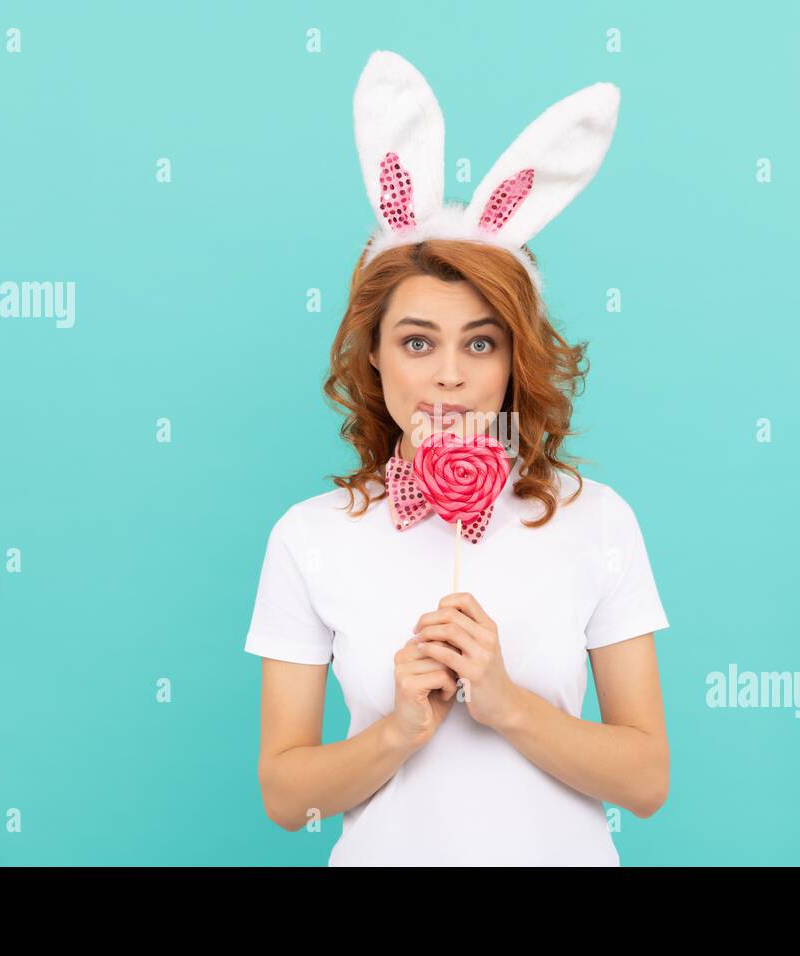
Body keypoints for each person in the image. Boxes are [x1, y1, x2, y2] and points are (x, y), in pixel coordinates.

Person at [243, 51, 670, 865]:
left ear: (515, 360)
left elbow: (646, 781)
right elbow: (284, 795)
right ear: (372, 355)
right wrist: (397, 732)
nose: (448, 374)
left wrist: (507, 703)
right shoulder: (310, 536)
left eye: (481, 341)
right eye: (416, 341)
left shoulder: (596, 518)